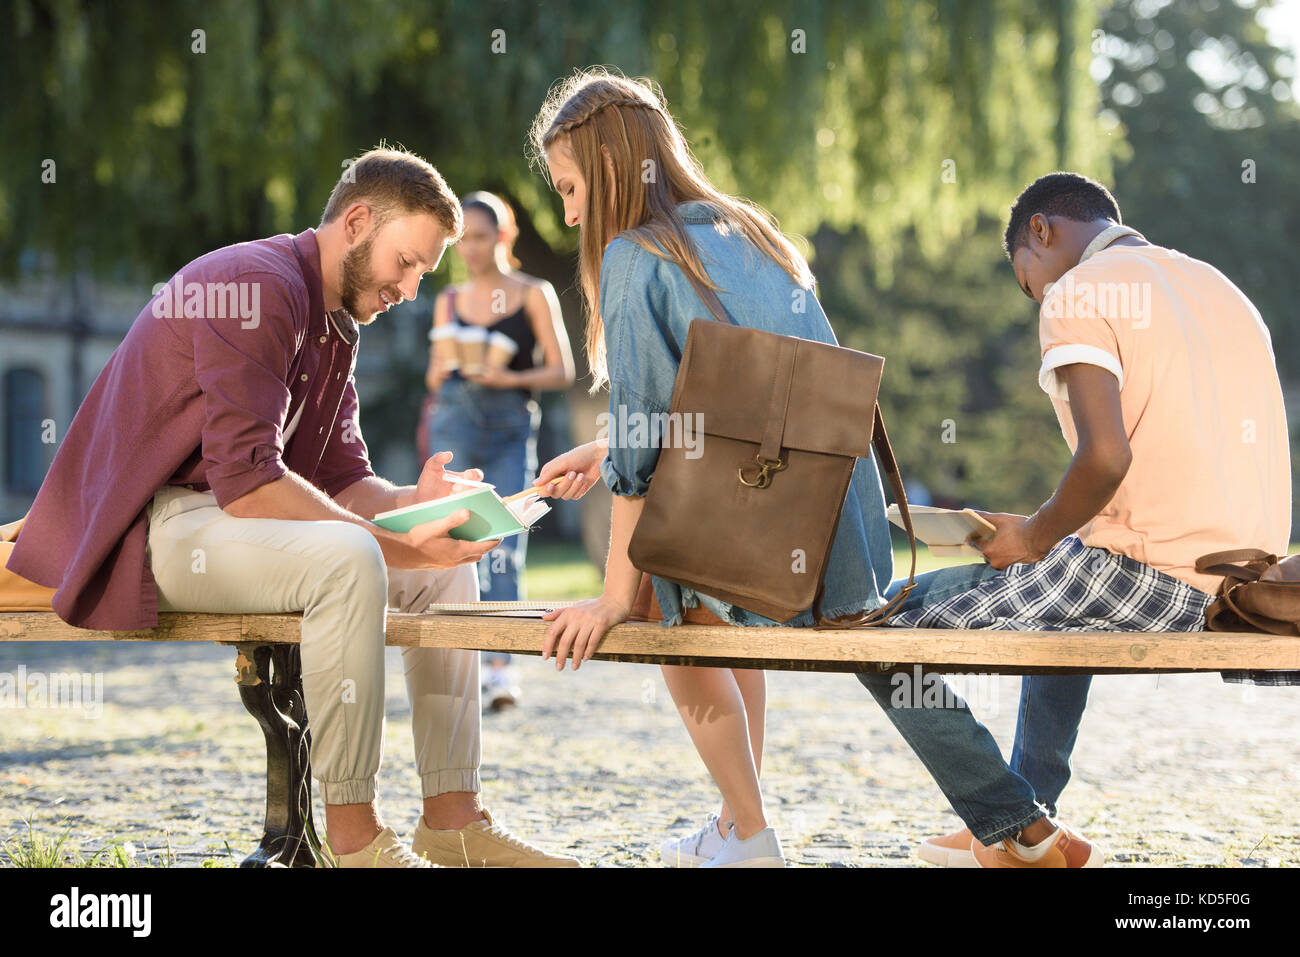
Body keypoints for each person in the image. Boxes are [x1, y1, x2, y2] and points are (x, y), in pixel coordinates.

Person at [6, 146, 578, 868]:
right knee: (351, 558)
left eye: (423, 273)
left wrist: (418, 505)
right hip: (159, 525)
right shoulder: (257, 285)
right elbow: (249, 480)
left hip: (233, 519)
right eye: (406, 262)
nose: (409, 286)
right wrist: (396, 542)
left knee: (444, 569)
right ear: (358, 220)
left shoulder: (336, 320)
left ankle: (452, 819)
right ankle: (356, 839)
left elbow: (343, 477)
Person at [856, 172, 1293, 867]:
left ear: (1041, 231)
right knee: (1061, 589)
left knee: (876, 631)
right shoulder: (1222, 290)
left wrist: (1032, 536)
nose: (1034, 293)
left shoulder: (1080, 291)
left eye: (1026, 278)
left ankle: (1015, 827)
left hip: (1150, 576)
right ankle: (1030, 821)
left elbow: (1107, 458)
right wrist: (1039, 532)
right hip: (1247, 581)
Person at [524, 67, 897, 868]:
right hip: (823, 522)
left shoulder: (634, 255)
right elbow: (733, 402)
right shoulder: (748, 230)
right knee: (704, 618)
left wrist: (613, 596)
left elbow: (647, 444)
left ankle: (751, 834)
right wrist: (608, 450)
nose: (569, 212)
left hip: (755, 531)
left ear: (613, 167)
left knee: (665, 608)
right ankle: (737, 826)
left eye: (570, 187)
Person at [424, 191, 575, 710]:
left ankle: (501, 670)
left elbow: (562, 371)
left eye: (481, 237)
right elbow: (433, 375)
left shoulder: (534, 292)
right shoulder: (448, 300)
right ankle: (458, 663)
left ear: (504, 237)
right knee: (453, 537)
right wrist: (444, 370)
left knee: (505, 537)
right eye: (462, 239)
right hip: (455, 422)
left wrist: (509, 376)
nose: (469, 249)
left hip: (510, 424)